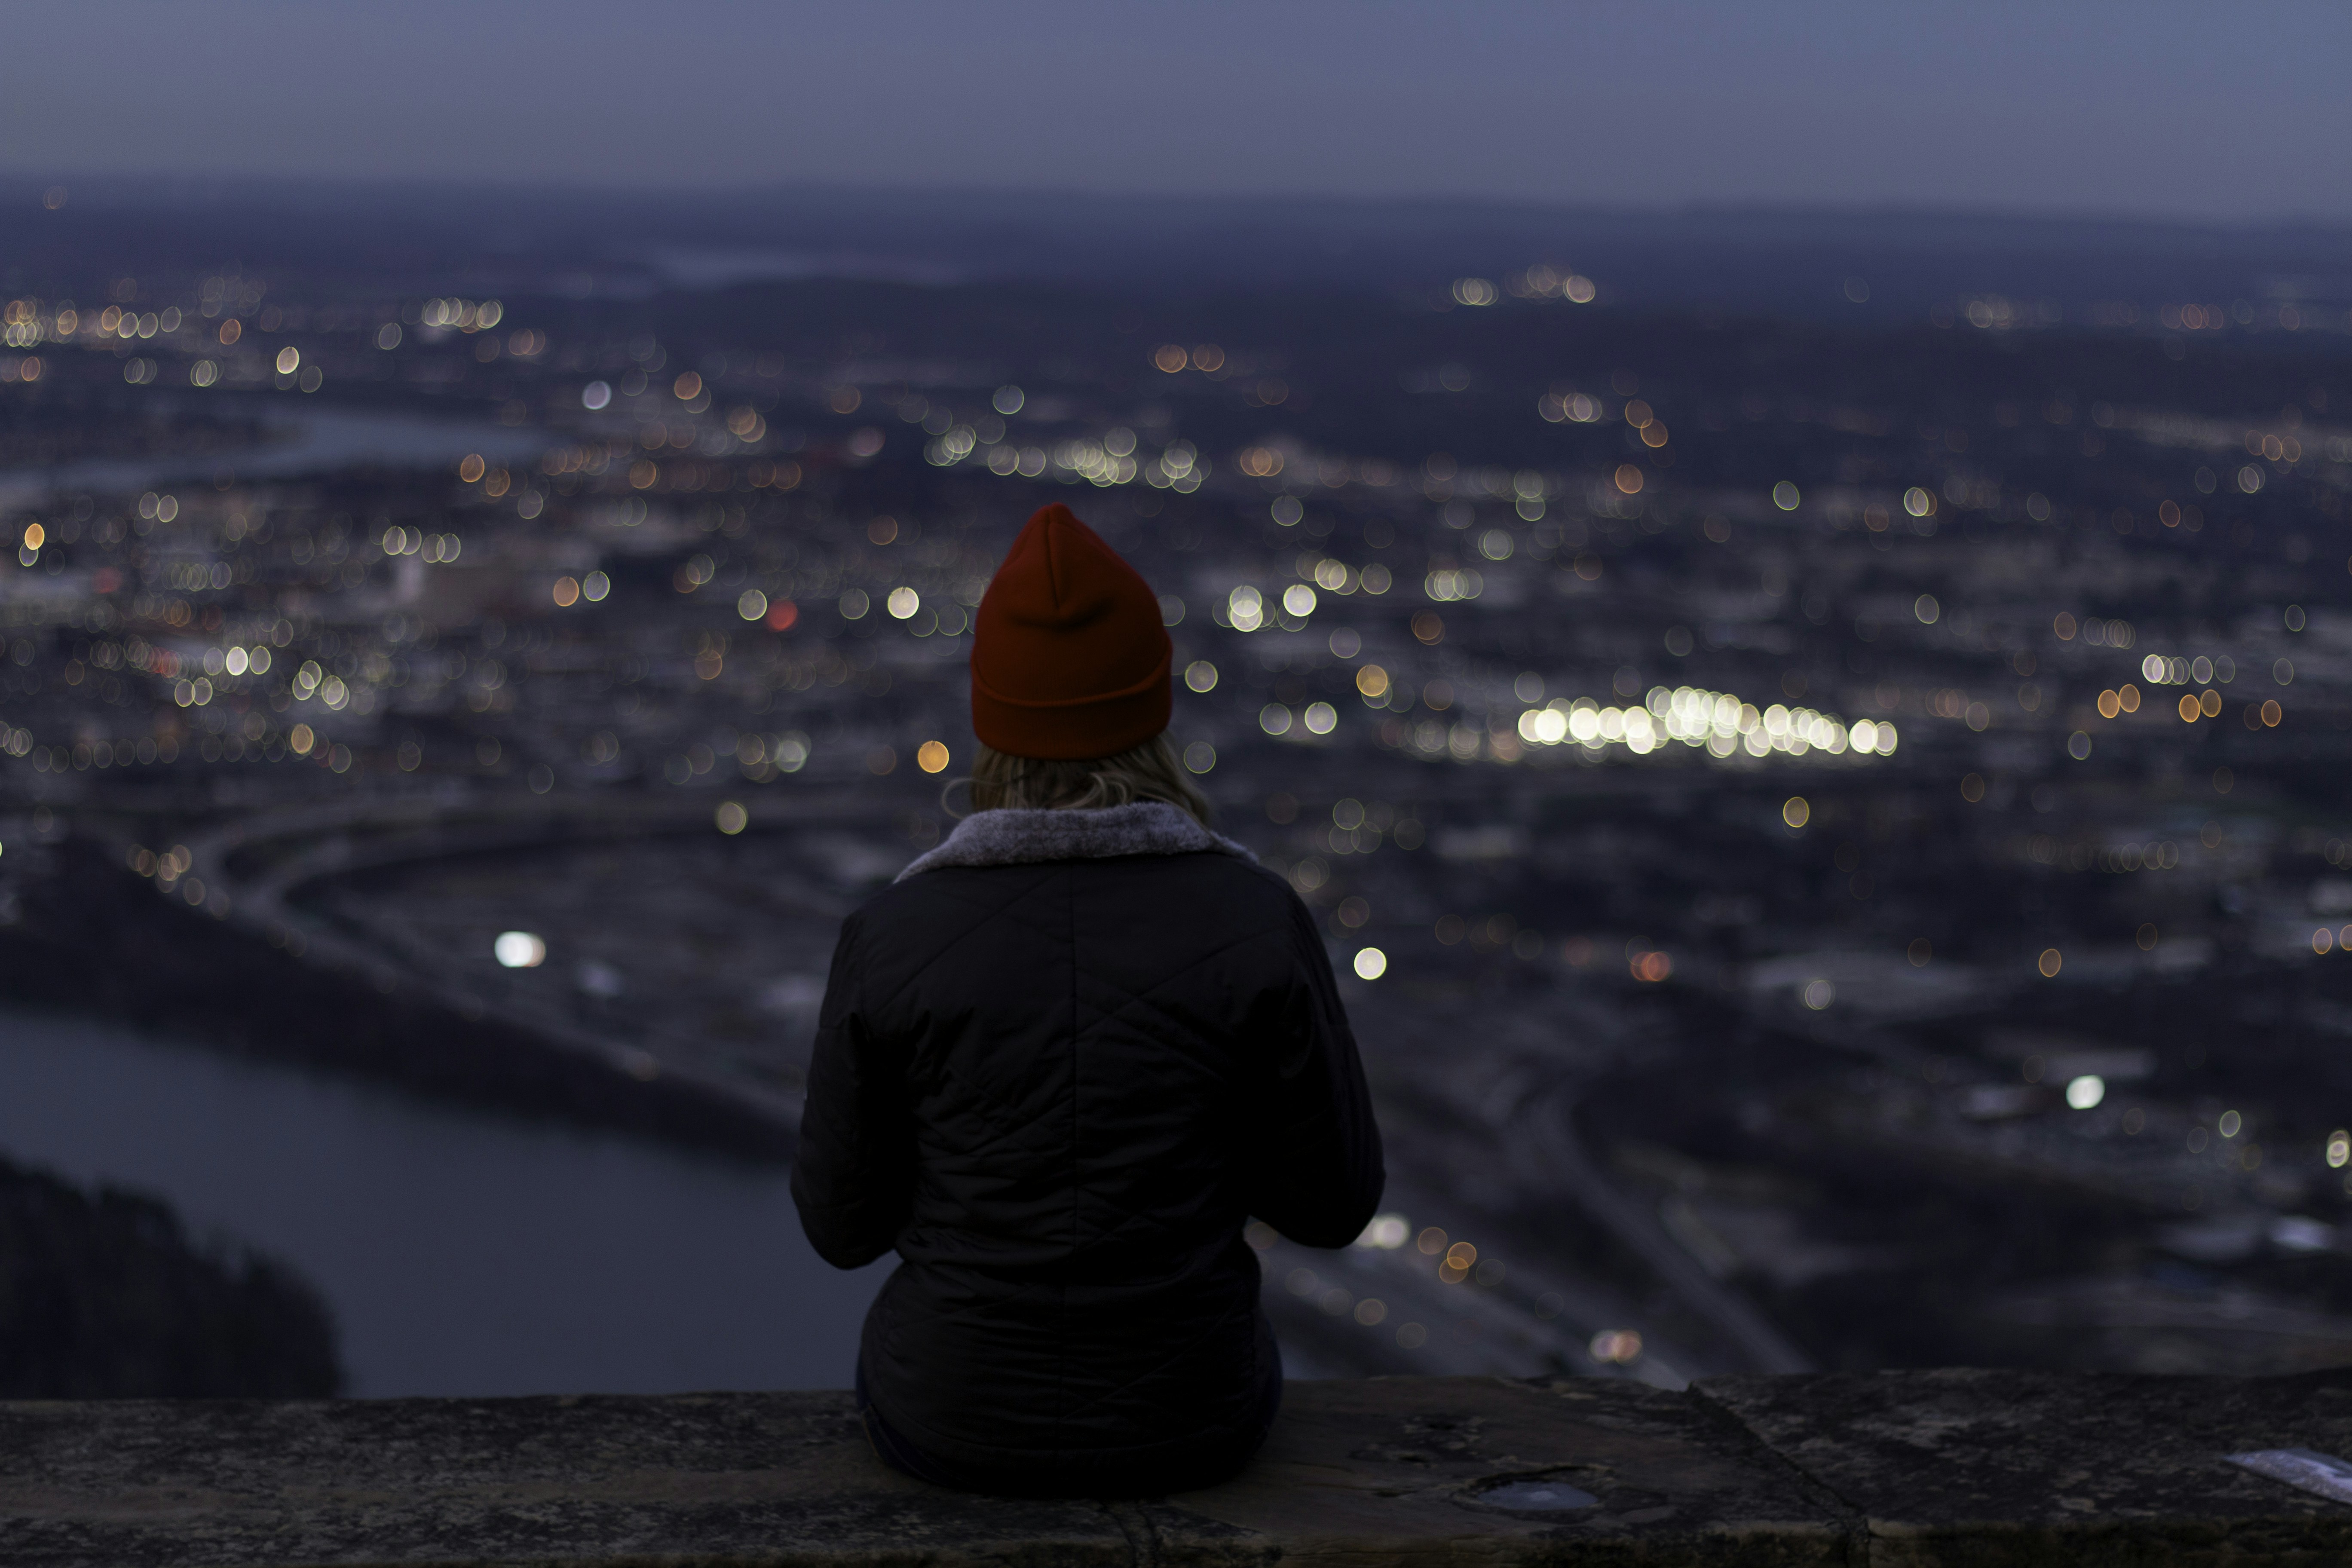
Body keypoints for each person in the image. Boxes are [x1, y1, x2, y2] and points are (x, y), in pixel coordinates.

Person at [792, 502, 1384, 1499]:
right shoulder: (1257, 921)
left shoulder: (893, 936)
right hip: (1195, 1416)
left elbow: (840, 1230)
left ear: (992, 725)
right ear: (1152, 711)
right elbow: (1331, 1207)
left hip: (948, 1414)